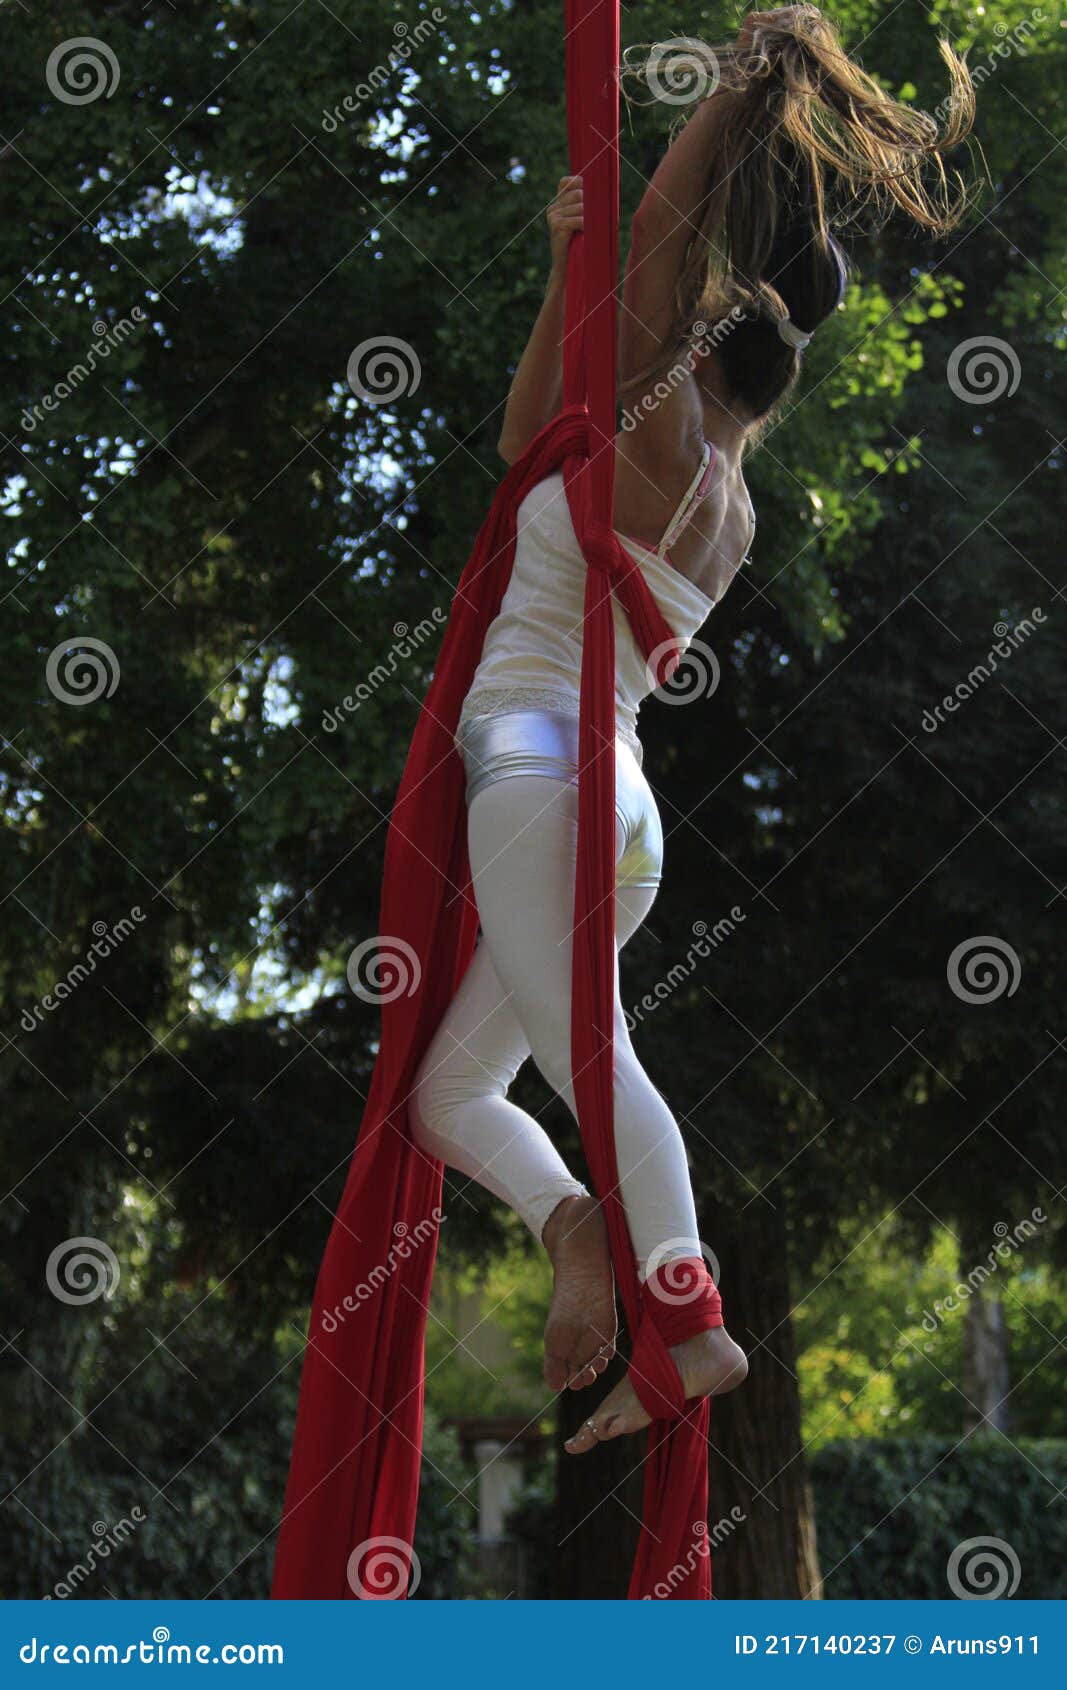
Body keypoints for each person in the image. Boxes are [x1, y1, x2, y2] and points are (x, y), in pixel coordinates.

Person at [410, 6, 974, 1454]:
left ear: (696, 339)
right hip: (610, 803)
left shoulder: (657, 430)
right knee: (447, 1095)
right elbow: (525, 428)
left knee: (596, 1052)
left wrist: (736, 95)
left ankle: (692, 1314)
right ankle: (578, 1221)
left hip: (544, 774)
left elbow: (656, 230)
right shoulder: (723, 489)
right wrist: (563, 261)